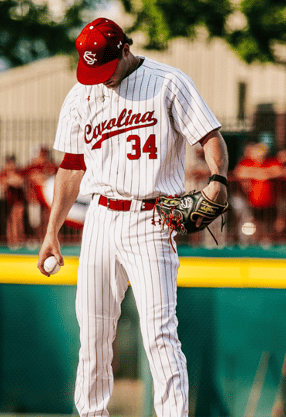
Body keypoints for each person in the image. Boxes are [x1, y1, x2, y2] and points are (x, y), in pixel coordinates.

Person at [36, 18, 228, 417]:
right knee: (93, 334)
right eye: (92, 69)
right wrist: (52, 230)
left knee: (159, 333)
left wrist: (218, 178)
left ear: (125, 49)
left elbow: (210, 136)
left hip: (151, 219)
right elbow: (71, 166)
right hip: (100, 217)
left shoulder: (167, 82)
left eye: (106, 67)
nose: (101, 78)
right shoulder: (81, 94)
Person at [234, 142, 284, 242]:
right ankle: (256, 241)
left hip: (271, 201)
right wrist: (260, 173)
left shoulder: (271, 161)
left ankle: (269, 241)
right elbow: (239, 172)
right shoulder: (247, 162)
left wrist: (259, 173)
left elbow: (279, 171)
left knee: (272, 223)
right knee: (255, 223)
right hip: (254, 201)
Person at [0, 155, 26, 249]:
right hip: (7, 201)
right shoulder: (2, 173)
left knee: (18, 220)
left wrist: (8, 180)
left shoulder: (18, 171)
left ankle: (19, 241)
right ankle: (11, 241)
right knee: (10, 221)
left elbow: (19, 182)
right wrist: (9, 180)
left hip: (18, 201)